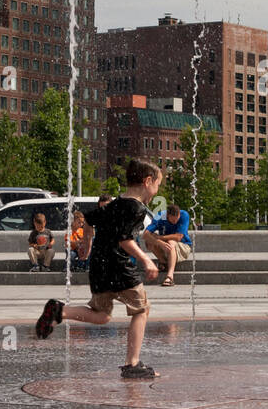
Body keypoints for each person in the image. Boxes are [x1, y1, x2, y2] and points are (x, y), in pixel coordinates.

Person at [34, 159, 163, 379]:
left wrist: (87, 245)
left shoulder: (116, 202)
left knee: (102, 315)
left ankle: (59, 311)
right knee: (142, 309)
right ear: (147, 181)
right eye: (158, 184)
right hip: (119, 266)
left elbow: (89, 220)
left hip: (99, 266)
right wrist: (146, 260)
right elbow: (125, 240)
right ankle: (132, 364)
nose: (158, 189)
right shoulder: (137, 208)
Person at [143, 204, 193, 286]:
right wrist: (160, 242)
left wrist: (159, 237)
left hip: (183, 247)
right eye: (172, 221)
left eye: (177, 220)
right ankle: (164, 262)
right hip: (166, 246)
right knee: (149, 242)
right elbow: (145, 235)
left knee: (171, 242)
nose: (175, 222)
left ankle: (170, 277)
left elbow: (178, 237)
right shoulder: (159, 216)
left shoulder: (184, 215)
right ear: (167, 216)